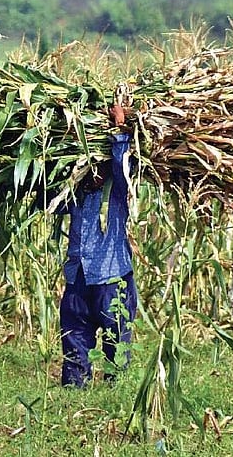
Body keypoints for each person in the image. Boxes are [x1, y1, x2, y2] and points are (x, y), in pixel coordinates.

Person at [56, 103, 138, 388]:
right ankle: (73, 393)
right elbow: (49, 201)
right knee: (75, 339)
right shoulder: (76, 192)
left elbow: (123, 163)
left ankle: (118, 392)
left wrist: (118, 129)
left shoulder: (118, 189)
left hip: (112, 278)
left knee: (117, 344)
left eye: (98, 167)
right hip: (78, 277)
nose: (94, 174)